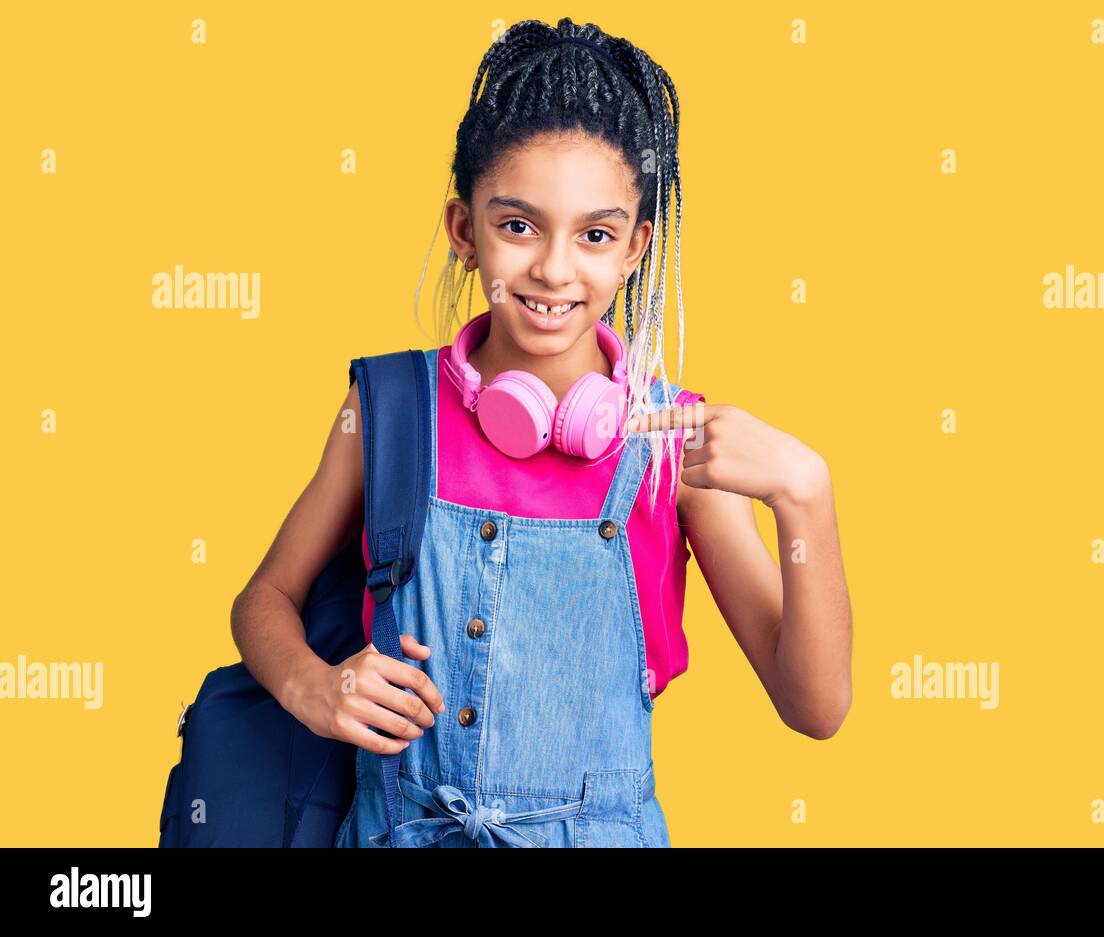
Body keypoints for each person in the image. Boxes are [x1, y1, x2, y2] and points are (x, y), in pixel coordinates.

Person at [231, 16, 852, 848]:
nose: (556, 269)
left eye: (595, 235)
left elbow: (814, 706)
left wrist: (805, 496)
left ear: (635, 247)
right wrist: (314, 683)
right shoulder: (390, 408)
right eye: (518, 225)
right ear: (464, 230)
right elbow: (263, 598)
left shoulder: (675, 443)